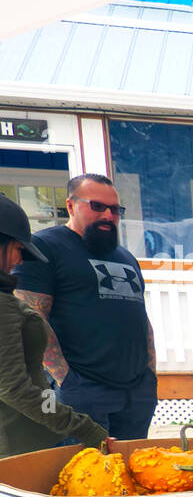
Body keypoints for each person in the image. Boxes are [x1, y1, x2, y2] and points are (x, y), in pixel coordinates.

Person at [14, 173, 157, 439]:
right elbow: (31, 318)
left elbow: (140, 319)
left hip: (136, 394)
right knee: (86, 476)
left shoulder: (126, 257)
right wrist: (66, 380)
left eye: (115, 209)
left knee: (134, 474)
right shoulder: (43, 247)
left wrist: (150, 376)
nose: (108, 216)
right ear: (71, 205)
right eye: (97, 206)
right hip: (82, 393)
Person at [0, 195, 108, 457]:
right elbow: (15, 388)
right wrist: (85, 428)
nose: (20, 261)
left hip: (34, 436)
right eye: (18, 249)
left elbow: (36, 382)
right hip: (20, 447)